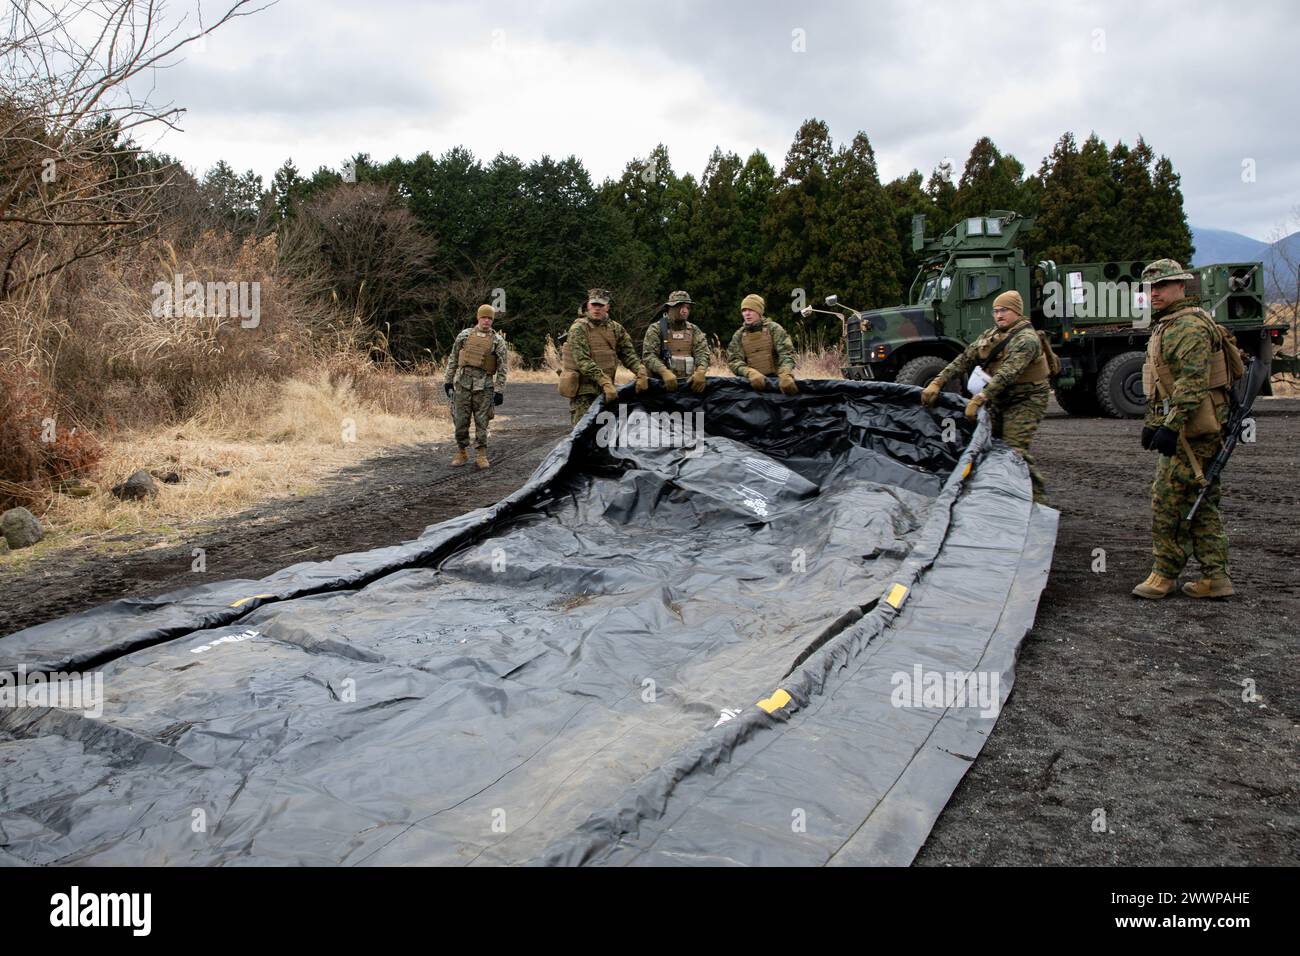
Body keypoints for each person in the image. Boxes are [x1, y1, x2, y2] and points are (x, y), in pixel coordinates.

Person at [1132, 259, 1234, 600]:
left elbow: (1192, 383)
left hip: (1194, 430)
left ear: (1180, 286)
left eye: (1161, 286)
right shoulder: (1170, 324)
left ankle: (1164, 574)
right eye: (1149, 288)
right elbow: (1162, 383)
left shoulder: (1188, 327)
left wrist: (1171, 428)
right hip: (1194, 426)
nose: (1154, 293)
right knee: (1202, 502)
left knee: (1166, 501)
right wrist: (1153, 424)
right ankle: (1215, 578)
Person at [921, 290, 1050, 503]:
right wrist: (938, 381)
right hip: (999, 397)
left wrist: (979, 399)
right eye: (996, 311)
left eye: (1004, 310)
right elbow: (965, 359)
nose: (999, 315)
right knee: (988, 446)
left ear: (1017, 311)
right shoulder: (993, 335)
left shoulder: (1027, 340)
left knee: (1014, 451)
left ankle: (1038, 502)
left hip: (1026, 399)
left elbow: (1007, 374)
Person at [558, 288, 648, 425]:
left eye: (601, 305)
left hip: (607, 391)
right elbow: (583, 361)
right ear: (588, 305)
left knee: (605, 435)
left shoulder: (615, 329)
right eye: (594, 305)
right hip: (584, 393)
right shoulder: (578, 329)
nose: (597, 309)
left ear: (607, 307)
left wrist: (640, 372)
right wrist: (605, 382)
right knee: (583, 435)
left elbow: (628, 354)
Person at [444, 304, 508, 468]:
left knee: (482, 422)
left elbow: (502, 367)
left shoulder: (497, 341)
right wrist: (448, 381)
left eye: (490, 318)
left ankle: (481, 454)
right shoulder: (464, 336)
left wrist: (499, 390)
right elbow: (453, 358)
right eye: (484, 317)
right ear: (478, 318)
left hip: (484, 386)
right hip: (463, 384)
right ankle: (461, 451)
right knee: (460, 420)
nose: (487, 321)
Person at [726, 293, 797, 394]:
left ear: (759, 312)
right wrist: (749, 373)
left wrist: (785, 374)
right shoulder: (739, 335)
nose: (747, 313)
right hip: (751, 385)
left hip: (776, 382)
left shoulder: (774, 329)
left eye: (751, 310)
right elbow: (734, 360)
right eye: (744, 310)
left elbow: (786, 353)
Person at [642, 290, 710, 393]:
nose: (685, 310)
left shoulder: (694, 330)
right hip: (661, 386)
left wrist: (701, 371)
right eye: (680, 306)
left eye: (687, 307)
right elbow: (648, 356)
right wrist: (664, 372)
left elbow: (703, 353)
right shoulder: (656, 329)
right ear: (670, 308)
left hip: (687, 386)